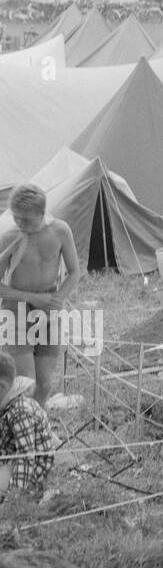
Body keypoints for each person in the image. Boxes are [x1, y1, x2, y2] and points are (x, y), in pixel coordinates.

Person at [0, 184, 80, 407]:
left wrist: (59, 298)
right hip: (16, 310)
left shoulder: (60, 231)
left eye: (26, 220)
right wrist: (30, 298)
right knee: (27, 383)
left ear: (41, 214)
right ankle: (19, 426)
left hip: (49, 309)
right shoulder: (11, 237)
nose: (20, 224)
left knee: (44, 384)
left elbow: (75, 272)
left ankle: (38, 425)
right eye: (16, 218)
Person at [0, 351, 55, 501]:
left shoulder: (20, 411)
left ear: (2, 386)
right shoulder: (6, 401)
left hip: (31, 473)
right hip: (8, 459)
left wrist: (15, 497)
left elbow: (25, 457)